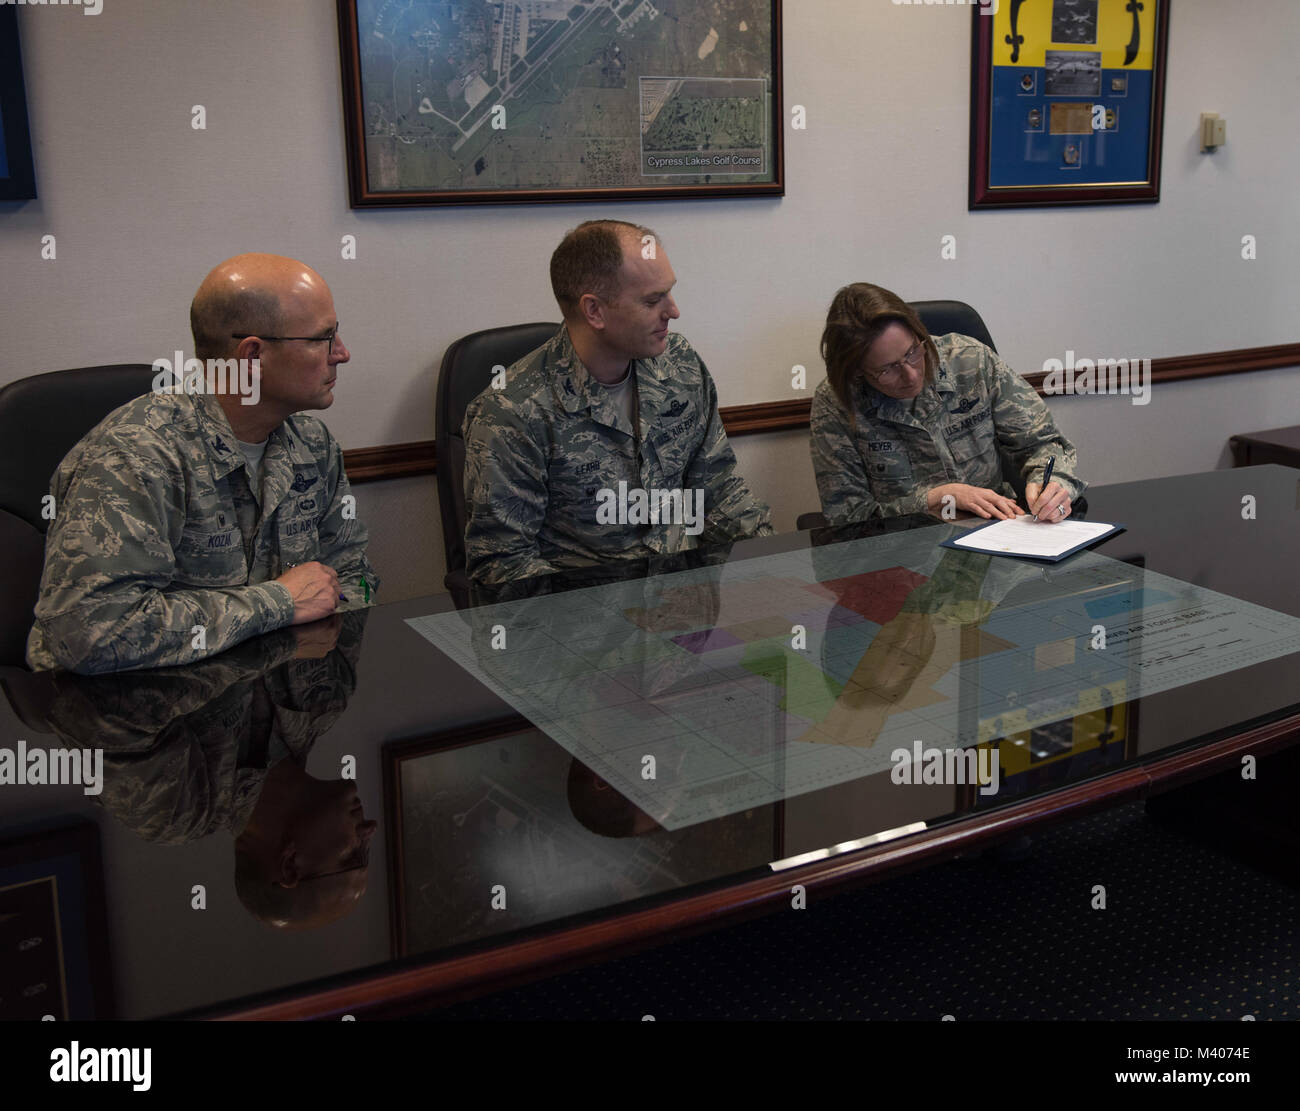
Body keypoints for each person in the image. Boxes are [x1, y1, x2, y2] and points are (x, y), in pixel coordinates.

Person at [27, 253, 378, 674]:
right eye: (323, 338)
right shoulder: (135, 454)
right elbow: (90, 634)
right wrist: (280, 603)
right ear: (252, 355)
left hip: (280, 710)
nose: (342, 353)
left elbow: (356, 577)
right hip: (142, 721)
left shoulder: (313, 444)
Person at [462, 219, 773, 586]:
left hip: (687, 612)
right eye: (652, 300)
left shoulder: (680, 365)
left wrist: (772, 564)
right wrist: (618, 620)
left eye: (669, 293)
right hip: (586, 630)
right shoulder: (513, 412)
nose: (673, 311)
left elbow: (717, 490)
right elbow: (503, 566)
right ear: (594, 311)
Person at [811, 283, 1084, 527]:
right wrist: (933, 499)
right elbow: (847, 518)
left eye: (912, 353)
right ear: (857, 371)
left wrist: (1054, 485)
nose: (911, 375)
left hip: (999, 533)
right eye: (887, 369)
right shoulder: (835, 404)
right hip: (903, 557)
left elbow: (1042, 443)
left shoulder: (971, 361)